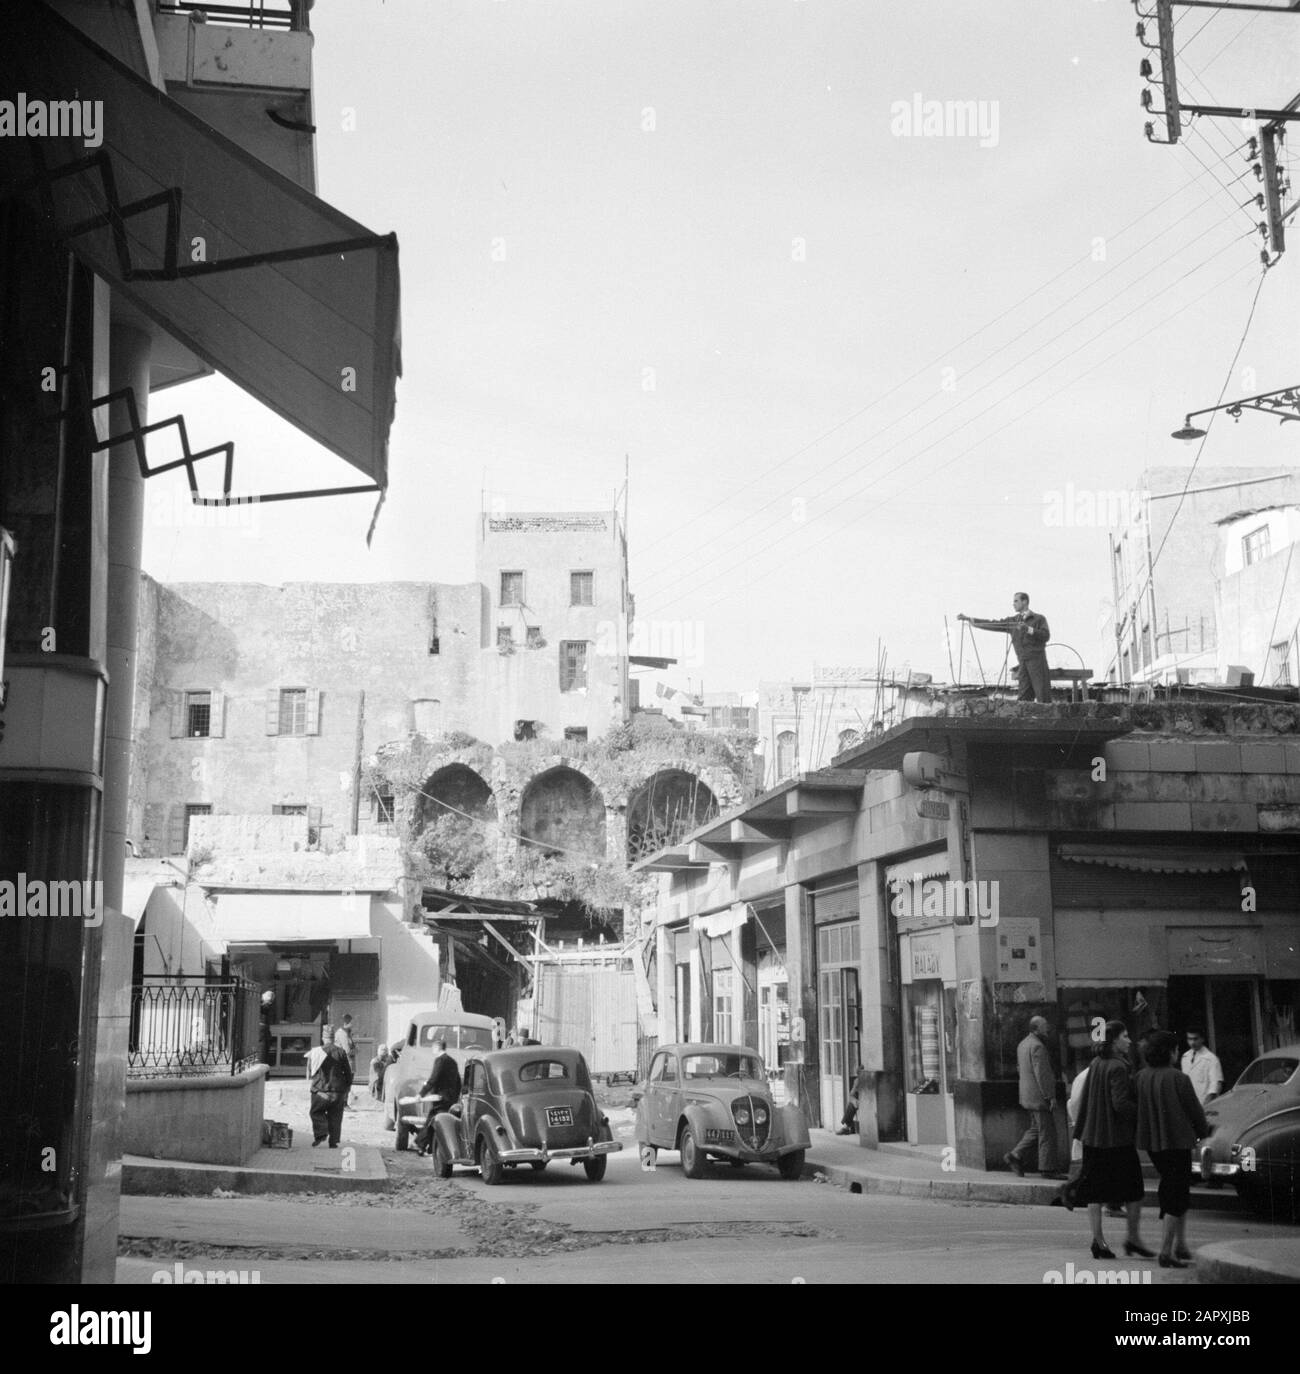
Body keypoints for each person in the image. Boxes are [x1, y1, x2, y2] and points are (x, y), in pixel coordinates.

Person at [1064, 1020, 1153, 1260]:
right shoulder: (1118, 1067)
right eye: (1125, 1036)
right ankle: (1133, 1238)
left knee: (1095, 1191)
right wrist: (1142, 1111)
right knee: (1134, 1189)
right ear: (1114, 1040)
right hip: (1116, 1139)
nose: (1129, 1040)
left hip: (1093, 1136)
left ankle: (1098, 1240)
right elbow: (1120, 1104)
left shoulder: (1096, 1063)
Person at [1136, 1029, 1210, 1269]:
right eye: (1176, 1049)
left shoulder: (1140, 1077)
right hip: (1178, 1143)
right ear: (1170, 1052)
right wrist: (1203, 1134)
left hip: (1153, 1145)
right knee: (1176, 1194)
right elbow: (1196, 1112)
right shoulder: (1179, 1078)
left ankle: (1180, 1245)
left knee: (1173, 1188)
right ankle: (1167, 1250)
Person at [958, 593, 1052, 702]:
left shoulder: (1038, 619)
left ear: (1025, 601)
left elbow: (1045, 636)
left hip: (1037, 662)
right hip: (1023, 662)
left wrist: (1028, 629)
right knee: (1023, 696)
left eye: (1016, 601)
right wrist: (970, 619)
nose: (1013, 604)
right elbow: (993, 624)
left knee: (1042, 694)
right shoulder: (1013, 621)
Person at [1005, 1016, 1064, 1179]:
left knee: (1036, 1129)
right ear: (1036, 1029)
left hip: (1027, 1095)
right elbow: (1042, 1074)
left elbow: (1020, 1068)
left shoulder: (1023, 1044)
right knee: (1047, 1133)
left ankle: (1015, 1155)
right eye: (1045, 1025)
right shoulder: (1038, 1046)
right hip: (1038, 1096)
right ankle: (1048, 1168)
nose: (1048, 1028)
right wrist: (1050, 1096)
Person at [414, 1040, 463, 1156]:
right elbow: (458, 1082)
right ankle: (427, 1146)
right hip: (450, 1098)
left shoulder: (440, 1061)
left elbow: (433, 1079)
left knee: (432, 1120)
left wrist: (421, 1094)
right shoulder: (453, 1062)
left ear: (437, 1048)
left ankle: (421, 1144)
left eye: (433, 1048)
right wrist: (455, 1097)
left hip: (440, 1097)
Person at [309, 1027, 353, 1148]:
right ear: (334, 1039)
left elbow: (311, 1071)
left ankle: (321, 1133)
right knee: (336, 1116)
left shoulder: (317, 1052)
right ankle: (333, 1142)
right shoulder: (341, 1052)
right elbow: (348, 1072)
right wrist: (347, 1086)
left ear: (323, 1038)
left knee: (316, 1112)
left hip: (320, 1090)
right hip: (338, 1091)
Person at [1180, 1028, 1224, 1106]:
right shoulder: (1185, 1057)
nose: (1192, 1042)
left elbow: (1216, 1085)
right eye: (1189, 1039)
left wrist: (1206, 1105)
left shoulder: (1211, 1059)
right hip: (1188, 1105)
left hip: (1205, 1105)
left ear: (1202, 1039)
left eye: (1195, 1039)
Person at [836, 1067, 864, 1136]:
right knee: (851, 1105)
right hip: (861, 1100)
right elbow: (851, 1094)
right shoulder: (857, 1081)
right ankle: (847, 1127)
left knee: (851, 1105)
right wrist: (855, 1101)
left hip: (868, 1101)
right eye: (859, 1074)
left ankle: (847, 1127)